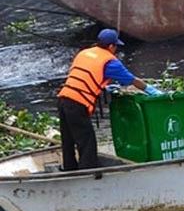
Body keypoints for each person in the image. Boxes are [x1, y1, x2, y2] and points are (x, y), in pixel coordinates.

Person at [57, 29, 160, 171]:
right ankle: (88, 172)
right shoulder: (110, 62)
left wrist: (103, 87)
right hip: (77, 103)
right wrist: (151, 90)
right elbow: (131, 80)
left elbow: (84, 76)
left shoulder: (84, 53)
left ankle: (69, 168)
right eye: (116, 46)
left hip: (63, 98)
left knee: (68, 139)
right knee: (87, 141)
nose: (116, 50)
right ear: (111, 46)